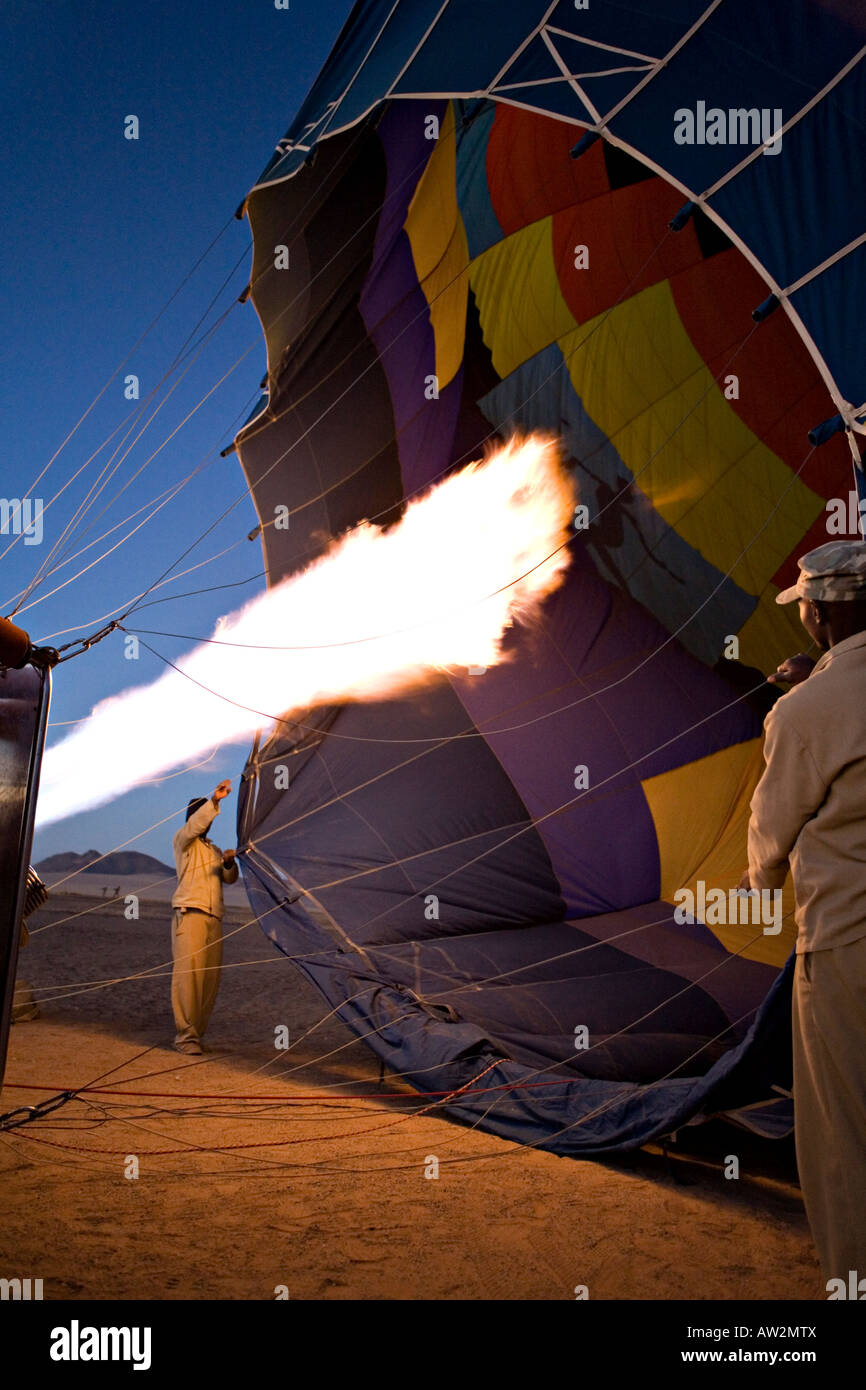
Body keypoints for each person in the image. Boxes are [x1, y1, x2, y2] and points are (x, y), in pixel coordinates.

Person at [740, 539, 866, 1292]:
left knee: (843, 1132)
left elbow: (770, 838)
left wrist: (792, 709)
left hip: (847, 949)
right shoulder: (815, 697)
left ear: (818, 613)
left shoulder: (805, 711)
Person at [170, 780, 239, 1055]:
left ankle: (197, 1034)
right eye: (202, 815)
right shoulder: (183, 841)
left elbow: (228, 879)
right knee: (189, 977)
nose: (205, 823)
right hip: (191, 915)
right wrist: (216, 801)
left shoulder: (212, 850)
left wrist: (229, 863)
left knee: (209, 980)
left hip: (214, 918)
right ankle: (185, 1037)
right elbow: (195, 826)